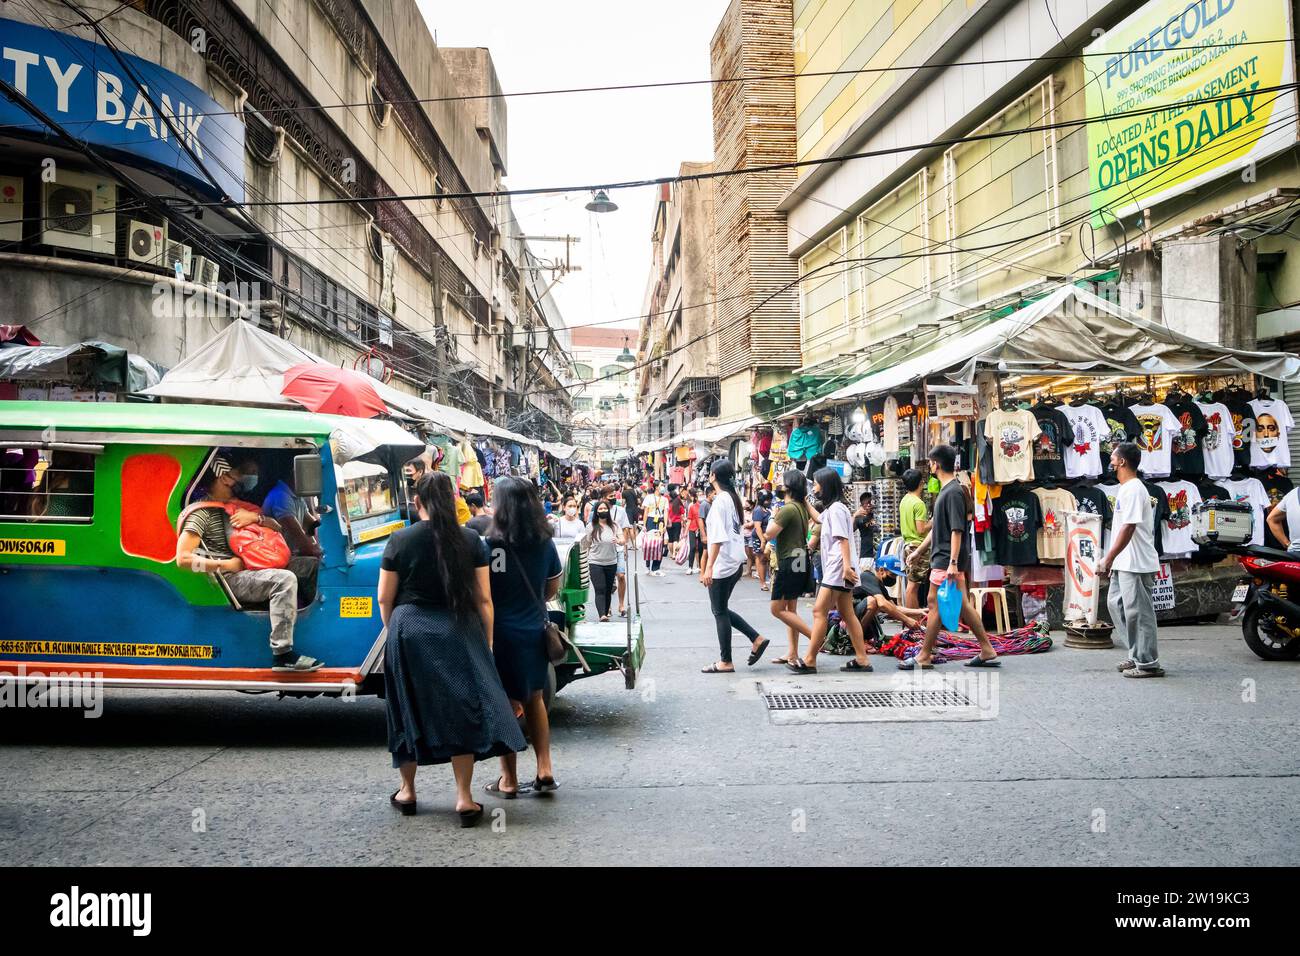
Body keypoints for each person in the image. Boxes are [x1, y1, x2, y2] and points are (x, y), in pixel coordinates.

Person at [378, 472, 525, 826]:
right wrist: (485, 642)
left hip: (409, 628)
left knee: (406, 708)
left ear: (418, 503)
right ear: (454, 499)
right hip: (458, 629)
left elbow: (384, 596)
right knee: (462, 710)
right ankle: (464, 798)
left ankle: (408, 791)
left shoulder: (399, 540)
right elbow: (484, 600)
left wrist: (395, 628)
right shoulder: (472, 540)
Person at [175, 456, 323, 672]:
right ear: (217, 480)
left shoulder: (235, 506)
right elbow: (184, 560)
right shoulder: (201, 514)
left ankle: (312, 627)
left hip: (252, 566)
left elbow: (277, 528)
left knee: (310, 565)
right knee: (284, 580)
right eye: (228, 479)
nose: (234, 484)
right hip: (231, 578)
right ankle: (283, 654)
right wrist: (226, 565)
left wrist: (256, 519)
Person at [484, 477, 564, 796]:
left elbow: (483, 593)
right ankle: (545, 769)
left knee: (506, 703)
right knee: (534, 699)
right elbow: (551, 588)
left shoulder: (491, 545)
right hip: (533, 631)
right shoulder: (544, 542)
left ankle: (510, 780)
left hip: (500, 634)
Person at [899, 444, 1000, 670]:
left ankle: (924, 655)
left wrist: (953, 563)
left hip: (947, 560)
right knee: (962, 605)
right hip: (944, 558)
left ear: (935, 464)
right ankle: (986, 649)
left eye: (931, 463)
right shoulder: (947, 491)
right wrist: (918, 552)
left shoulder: (953, 492)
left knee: (934, 603)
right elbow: (937, 528)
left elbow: (957, 530)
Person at [790, 468, 872, 674]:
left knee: (819, 611)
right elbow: (819, 518)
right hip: (840, 566)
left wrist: (845, 567)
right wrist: (804, 499)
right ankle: (862, 659)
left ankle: (810, 659)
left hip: (838, 567)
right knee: (847, 612)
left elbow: (842, 539)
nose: (815, 488)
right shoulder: (835, 509)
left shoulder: (836, 509)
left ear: (825, 486)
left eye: (817, 484)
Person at [1098, 441, 1164, 678]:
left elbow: (1129, 528)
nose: (1110, 463)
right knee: (1116, 605)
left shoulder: (1135, 488)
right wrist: (1113, 560)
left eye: (1113, 458)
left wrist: (1108, 558)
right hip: (1124, 562)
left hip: (1136, 562)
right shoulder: (1126, 488)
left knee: (1139, 613)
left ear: (1122, 461)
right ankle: (1136, 653)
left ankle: (1148, 663)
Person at [700, 460, 770, 673]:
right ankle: (755, 638)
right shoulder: (732, 498)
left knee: (719, 611)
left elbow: (718, 538)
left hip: (723, 563)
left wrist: (709, 567)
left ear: (713, 476)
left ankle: (726, 661)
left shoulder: (721, 500)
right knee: (721, 609)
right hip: (734, 561)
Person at [767, 470, 815, 666]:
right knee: (790, 609)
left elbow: (769, 534)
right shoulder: (800, 507)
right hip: (800, 558)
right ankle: (792, 653)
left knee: (777, 609)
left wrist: (772, 516)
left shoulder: (787, 509)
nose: (778, 483)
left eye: (782, 481)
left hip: (790, 559)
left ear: (789, 487)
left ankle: (816, 638)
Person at [853, 563, 923, 637]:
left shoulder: (879, 584)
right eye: (892, 575)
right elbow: (882, 604)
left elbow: (894, 608)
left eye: (896, 576)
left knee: (882, 605)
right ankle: (857, 638)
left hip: (859, 615)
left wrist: (920, 611)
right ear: (881, 570)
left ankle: (863, 637)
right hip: (850, 617)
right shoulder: (867, 576)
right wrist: (906, 620)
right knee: (872, 601)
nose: (894, 578)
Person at [262, 473, 322, 558]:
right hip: (281, 557)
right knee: (319, 564)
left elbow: (310, 525)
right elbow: (297, 535)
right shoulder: (281, 496)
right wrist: (317, 550)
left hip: (292, 554)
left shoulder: (296, 495)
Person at [899, 469, 931, 608]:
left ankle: (913, 621)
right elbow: (921, 529)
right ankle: (914, 621)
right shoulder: (919, 504)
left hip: (907, 545)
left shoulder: (905, 500)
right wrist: (934, 521)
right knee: (913, 587)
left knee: (911, 585)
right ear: (921, 483)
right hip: (918, 547)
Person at [585, 500, 621, 622]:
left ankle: (605, 612)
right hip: (595, 562)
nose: (603, 511)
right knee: (600, 588)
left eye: (605, 509)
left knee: (608, 589)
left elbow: (623, 539)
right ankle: (602, 615)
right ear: (596, 512)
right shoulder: (591, 526)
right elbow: (587, 544)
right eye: (600, 509)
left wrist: (619, 540)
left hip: (611, 562)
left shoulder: (614, 526)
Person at [642, 483, 668, 575]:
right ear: (656, 487)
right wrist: (644, 525)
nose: (663, 487)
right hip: (650, 519)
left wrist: (665, 524)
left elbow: (665, 512)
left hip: (660, 521)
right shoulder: (649, 497)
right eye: (661, 485)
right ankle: (648, 565)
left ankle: (656, 567)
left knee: (659, 544)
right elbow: (646, 511)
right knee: (650, 543)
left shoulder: (665, 499)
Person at [750, 491, 772, 591]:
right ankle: (762, 583)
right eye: (767, 499)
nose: (769, 501)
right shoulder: (758, 510)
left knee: (766, 559)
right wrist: (762, 541)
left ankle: (766, 580)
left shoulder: (767, 510)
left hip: (767, 537)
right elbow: (757, 527)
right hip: (759, 538)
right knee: (761, 559)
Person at [852, 491, 877, 568]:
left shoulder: (878, 516)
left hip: (880, 553)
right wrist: (855, 515)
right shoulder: (859, 518)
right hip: (866, 555)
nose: (868, 505)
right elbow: (849, 530)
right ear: (862, 505)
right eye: (866, 503)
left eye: (870, 502)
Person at [685, 488, 704, 572]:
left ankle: (699, 566)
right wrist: (685, 531)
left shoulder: (703, 507)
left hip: (700, 529)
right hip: (692, 529)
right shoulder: (692, 507)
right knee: (692, 547)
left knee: (700, 548)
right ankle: (690, 567)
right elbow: (689, 519)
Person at [666, 490, 685, 562]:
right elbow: (682, 515)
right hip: (677, 523)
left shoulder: (668, 504)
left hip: (669, 523)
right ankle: (674, 553)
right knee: (676, 538)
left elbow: (666, 513)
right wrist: (684, 523)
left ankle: (671, 554)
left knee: (670, 539)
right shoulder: (679, 505)